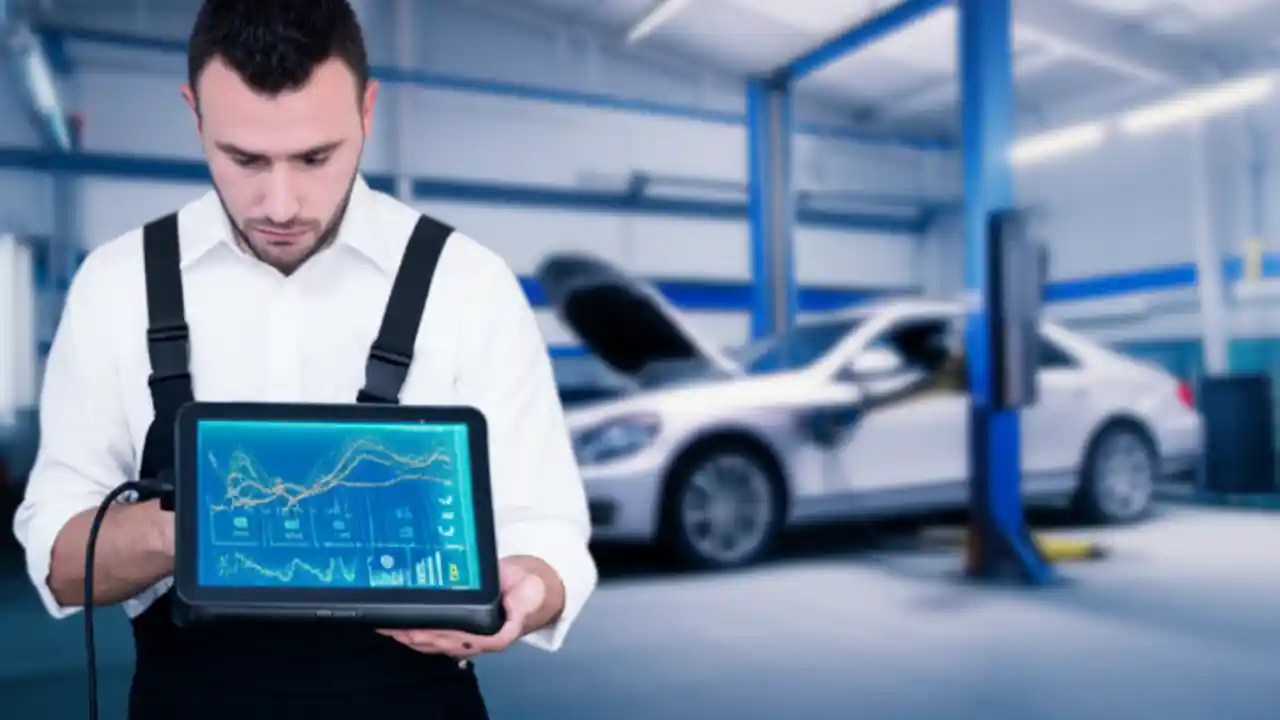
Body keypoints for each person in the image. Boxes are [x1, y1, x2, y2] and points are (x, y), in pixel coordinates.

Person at [11, 1, 597, 718]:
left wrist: (530, 589)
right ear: (195, 114)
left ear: (367, 110)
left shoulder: (467, 283)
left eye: (316, 157)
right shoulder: (117, 285)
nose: (282, 204)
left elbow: (548, 532)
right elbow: (58, 557)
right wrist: (196, 529)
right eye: (245, 159)